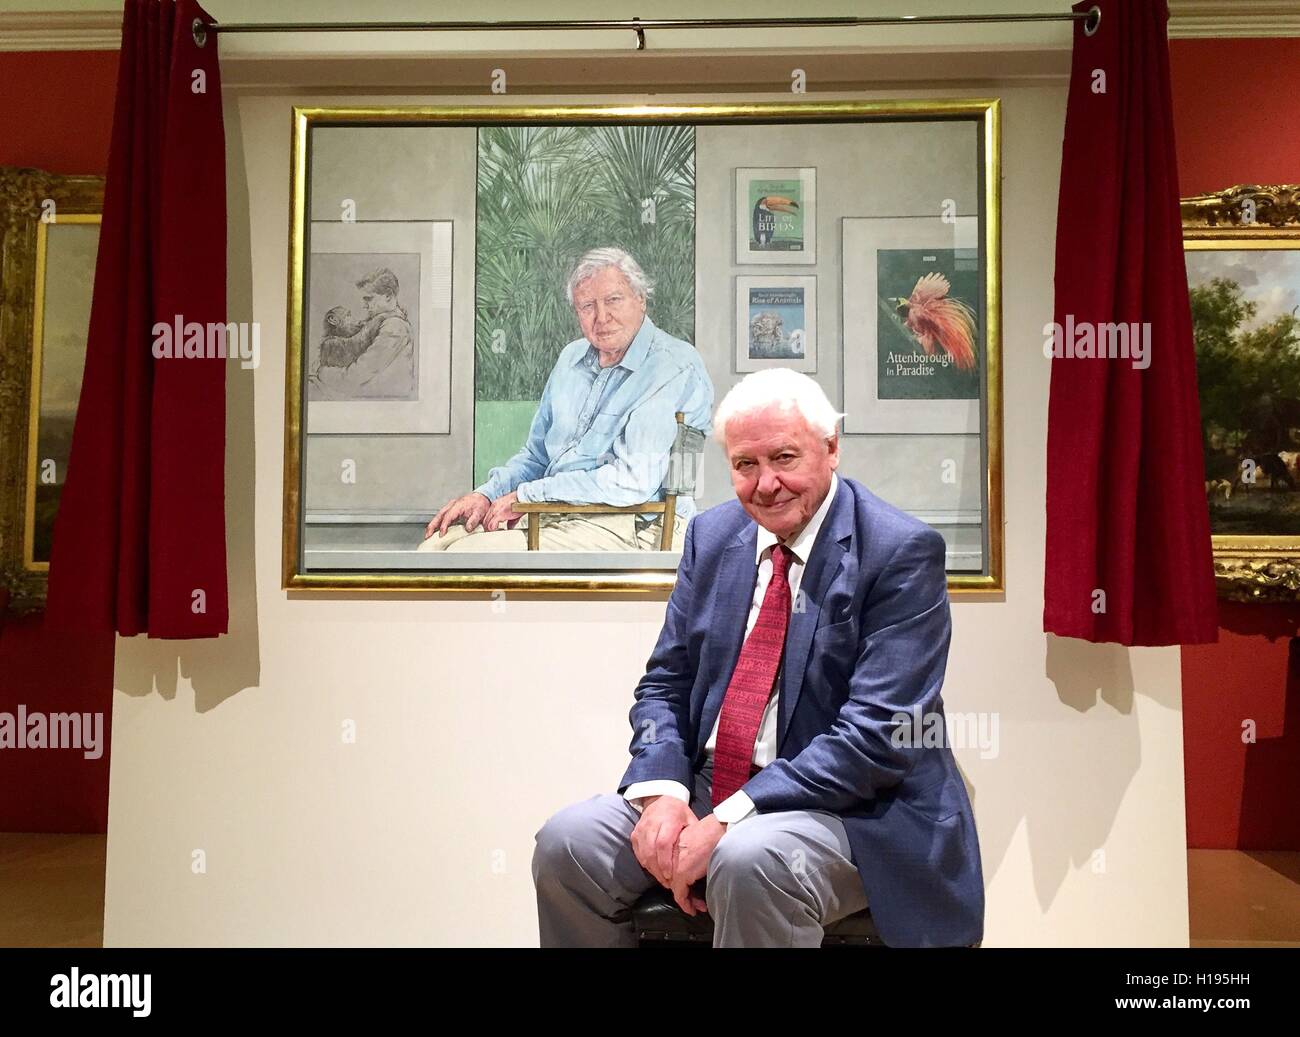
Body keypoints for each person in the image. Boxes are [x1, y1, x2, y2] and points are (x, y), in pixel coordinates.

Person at [531, 368, 985, 947]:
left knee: (749, 860)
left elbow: (879, 736)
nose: (766, 484)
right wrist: (663, 793)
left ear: (832, 448)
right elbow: (666, 684)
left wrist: (731, 816)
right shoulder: (713, 537)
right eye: (746, 464)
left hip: (854, 808)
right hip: (709, 781)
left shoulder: (899, 552)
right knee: (568, 843)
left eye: (785, 458)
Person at [420, 247, 713, 553]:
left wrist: (530, 496)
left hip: (633, 525)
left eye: (613, 300)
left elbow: (631, 482)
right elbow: (536, 457)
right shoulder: (571, 358)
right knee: (433, 549)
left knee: (464, 557)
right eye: (587, 306)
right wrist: (485, 494)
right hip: (554, 515)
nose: (602, 317)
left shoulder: (673, 365)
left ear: (641, 299)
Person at [309, 268, 414, 400]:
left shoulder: (395, 326)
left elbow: (355, 376)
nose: (365, 306)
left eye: (368, 299)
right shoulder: (383, 322)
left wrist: (322, 372)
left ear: (388, 295)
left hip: (381, 404)